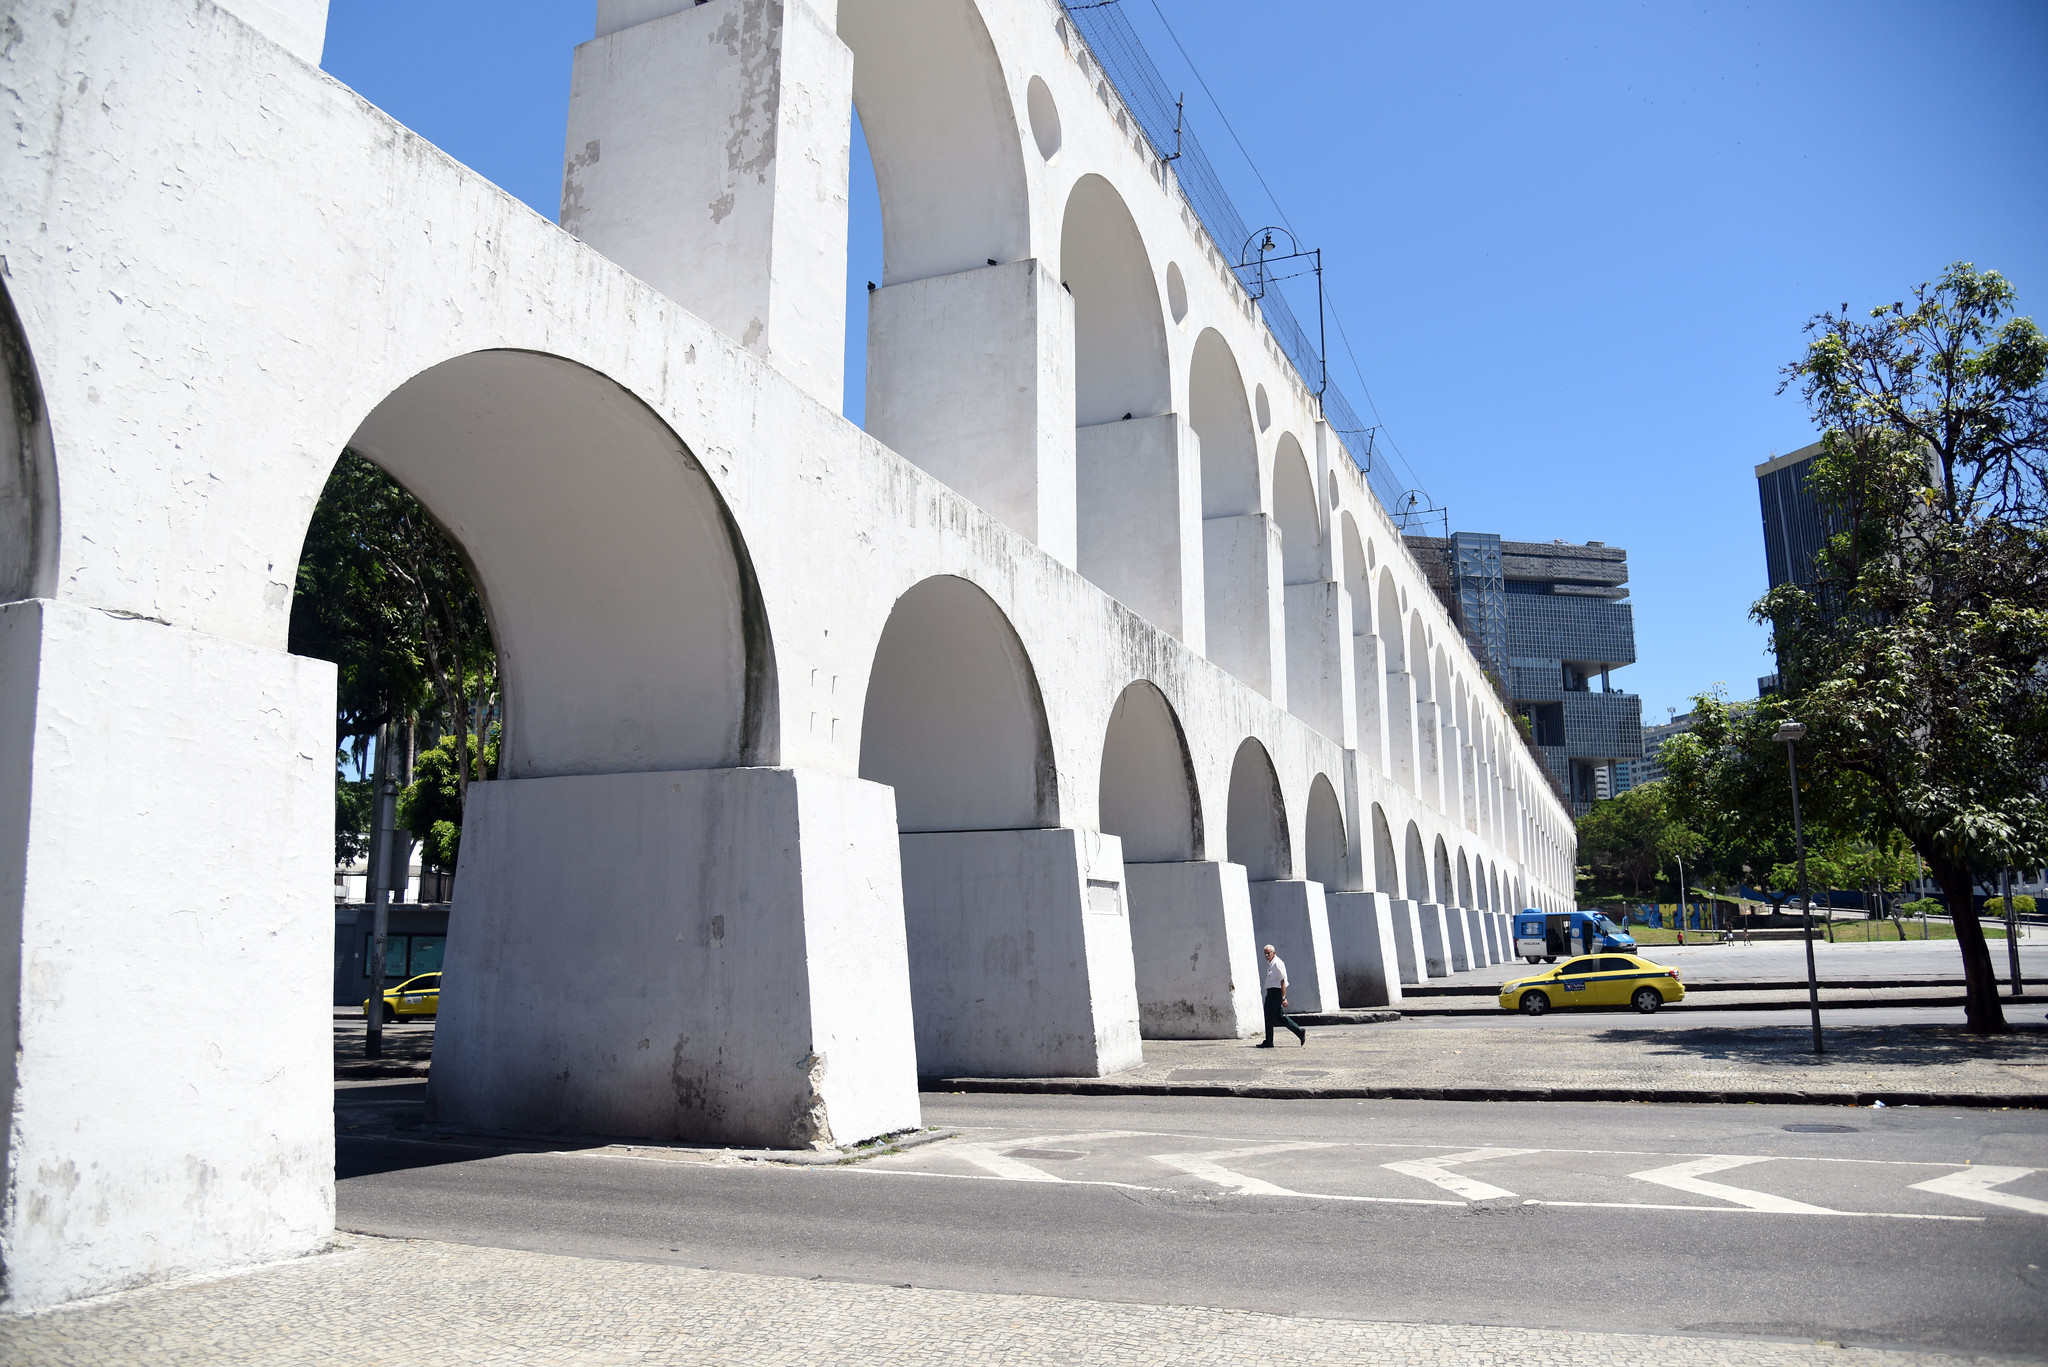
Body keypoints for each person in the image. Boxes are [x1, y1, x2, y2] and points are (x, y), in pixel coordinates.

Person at [1257, 943, 1306, 1048]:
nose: (1266, 955)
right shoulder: (1271, 963)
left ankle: (1269, 1041)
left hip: (1275, 993)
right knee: (1279, 1016)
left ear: (1274, 953)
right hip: (1272, 992)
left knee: (1268, 1015)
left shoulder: (1277, 964)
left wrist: (1283, 998)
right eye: (1265, 954)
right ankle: (1299, 1031)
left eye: (1268, 953)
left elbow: (1283, 981)